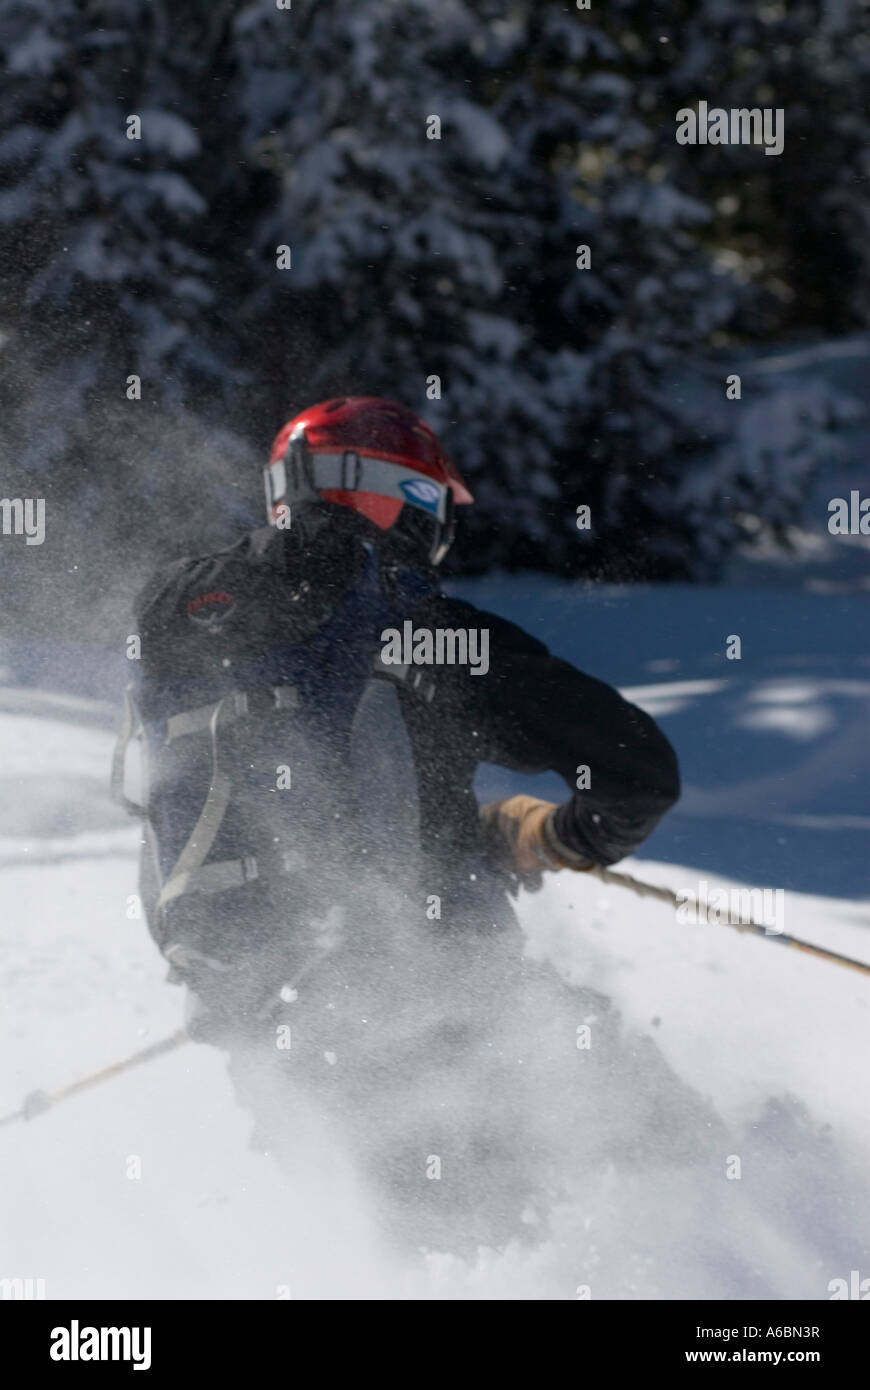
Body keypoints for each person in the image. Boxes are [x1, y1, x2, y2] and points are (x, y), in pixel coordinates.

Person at [113, 396, 680, 1046]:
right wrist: (553, 836)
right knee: (664, 1131)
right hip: (451, 1018)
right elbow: (640, 774)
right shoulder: (423, 629)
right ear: (402, 496)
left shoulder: (173, 614)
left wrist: (462, 828)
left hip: (265, 1030)